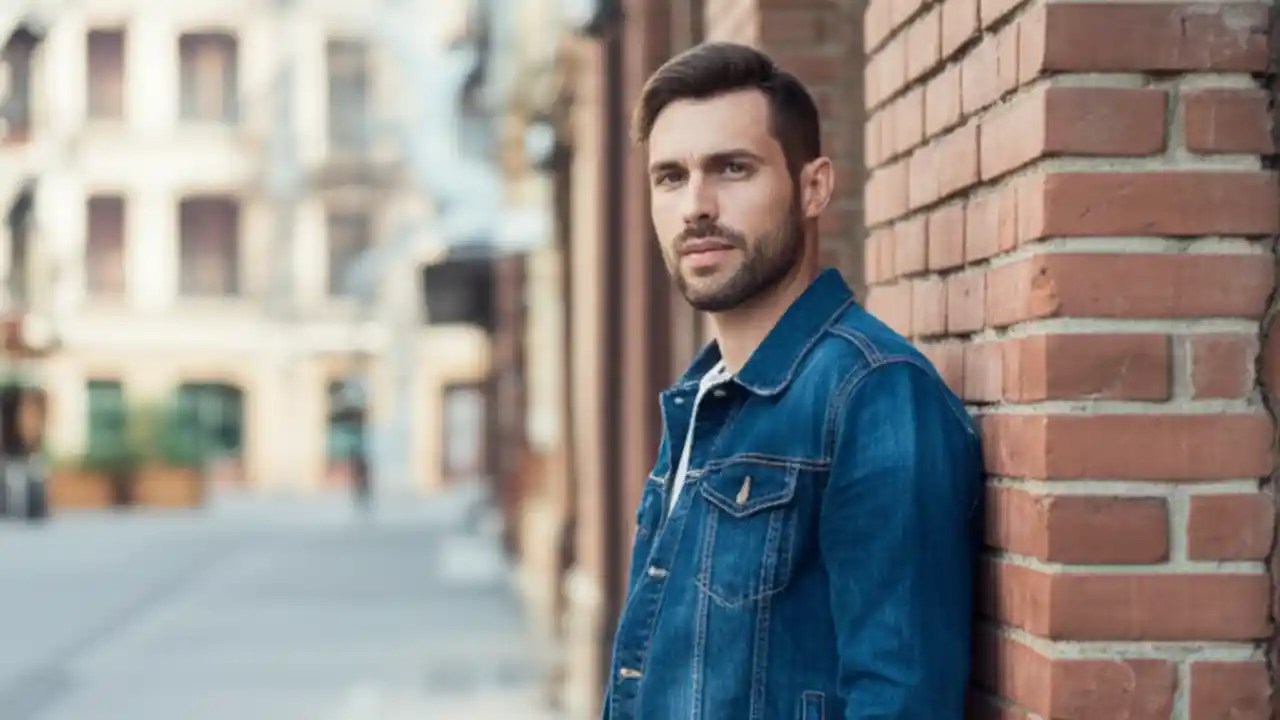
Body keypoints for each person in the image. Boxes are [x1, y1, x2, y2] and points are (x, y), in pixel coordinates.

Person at [603, 42, 983, 719]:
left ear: (814, 187)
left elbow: (902, 698)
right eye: (671, 177)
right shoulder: (704, 400)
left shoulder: (872, 394)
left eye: (732, 168)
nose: (696, 206)